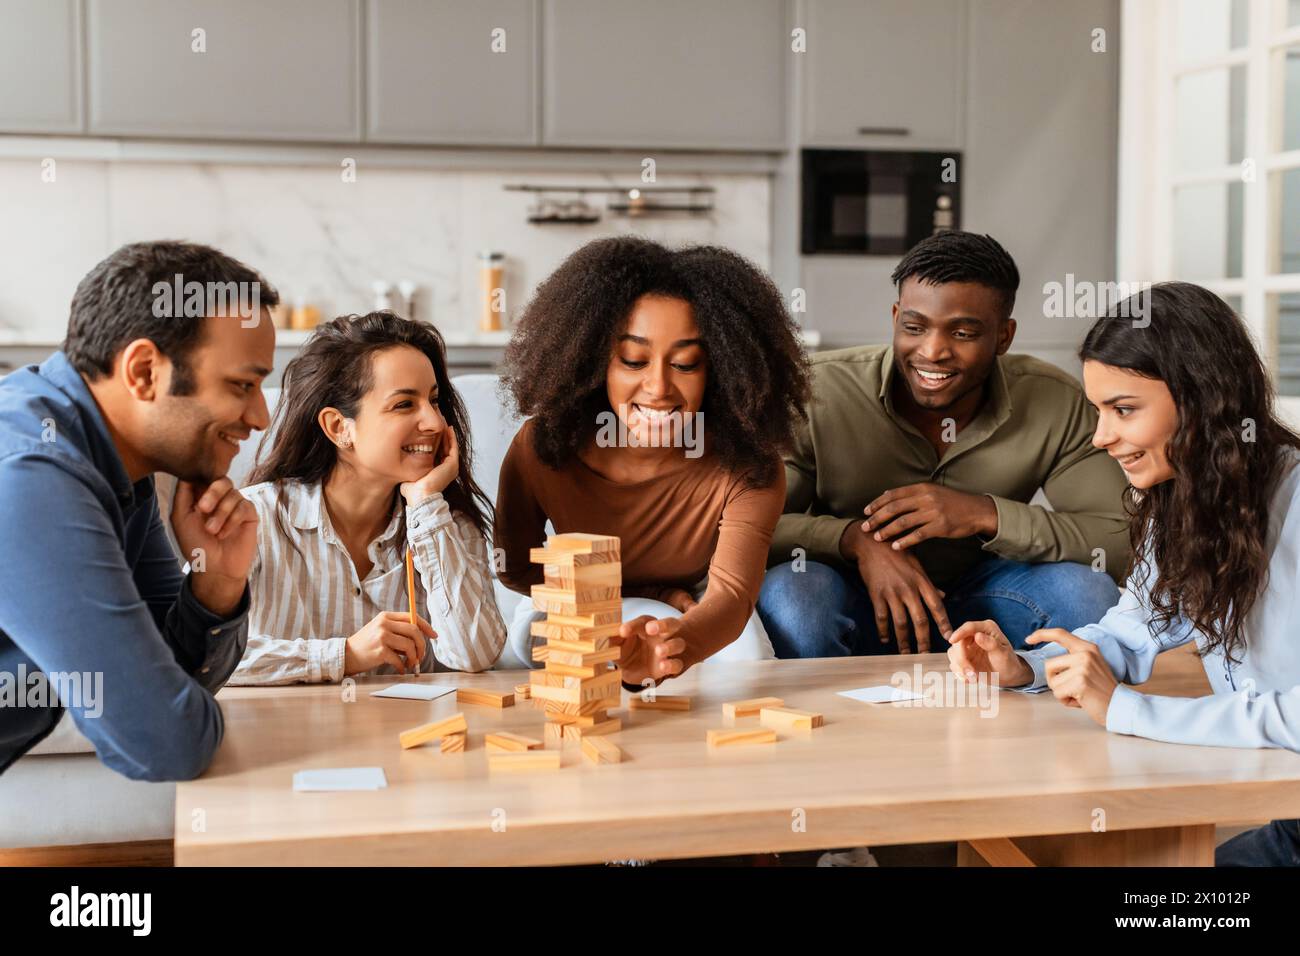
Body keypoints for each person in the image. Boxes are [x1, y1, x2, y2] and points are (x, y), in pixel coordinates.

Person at [947, 282, 1300, 866]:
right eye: (1098, 411)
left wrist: (1128, 711)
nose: (1101, 437)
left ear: (1201, 399)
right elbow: (1135, 626)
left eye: (1124, 410)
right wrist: (1028, 667)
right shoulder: (1192, 499)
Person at [759, 231, 1127, 658]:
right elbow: (746, 526)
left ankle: (1018, 707)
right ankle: (828, 719)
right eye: (914, 328)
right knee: (792, 594)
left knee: (1088, 593)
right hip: (852, 603)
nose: (933, 352)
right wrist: (853, 540)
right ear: (896, 316)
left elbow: (1118, 539)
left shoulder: (1053, 400)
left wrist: (984, 514)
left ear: (1004, 337)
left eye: (964, 333)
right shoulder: (815, 391)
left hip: (990, 608)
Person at [0, 240, 276, 779]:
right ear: (145, 371)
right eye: (243, 384)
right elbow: (166, 740)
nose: (261, 416)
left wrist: (215, 585)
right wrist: (166, 703)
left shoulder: (123, 469)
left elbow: (172, 683)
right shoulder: (33, 475)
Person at [494, 237, 811, 686]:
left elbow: (731, 598)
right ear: (594, 360)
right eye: (634, 360)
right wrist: (637, 592)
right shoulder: (543, 446)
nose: (658, 387)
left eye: (685, 364)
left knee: (750, 660)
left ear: (719, 370)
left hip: (692, 604)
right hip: (576, 596)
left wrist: (671, 648)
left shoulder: (748, 464)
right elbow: (515, 566)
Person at [233, 312, 505, 683]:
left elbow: (476, 655)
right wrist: (342, 655)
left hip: (412, 741)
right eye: (404, 404)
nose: (435, 423)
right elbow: (191, 655)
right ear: (338, 427)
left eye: (434, 400)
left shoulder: (446, 523)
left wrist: (425, 502)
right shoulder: (256, 517)